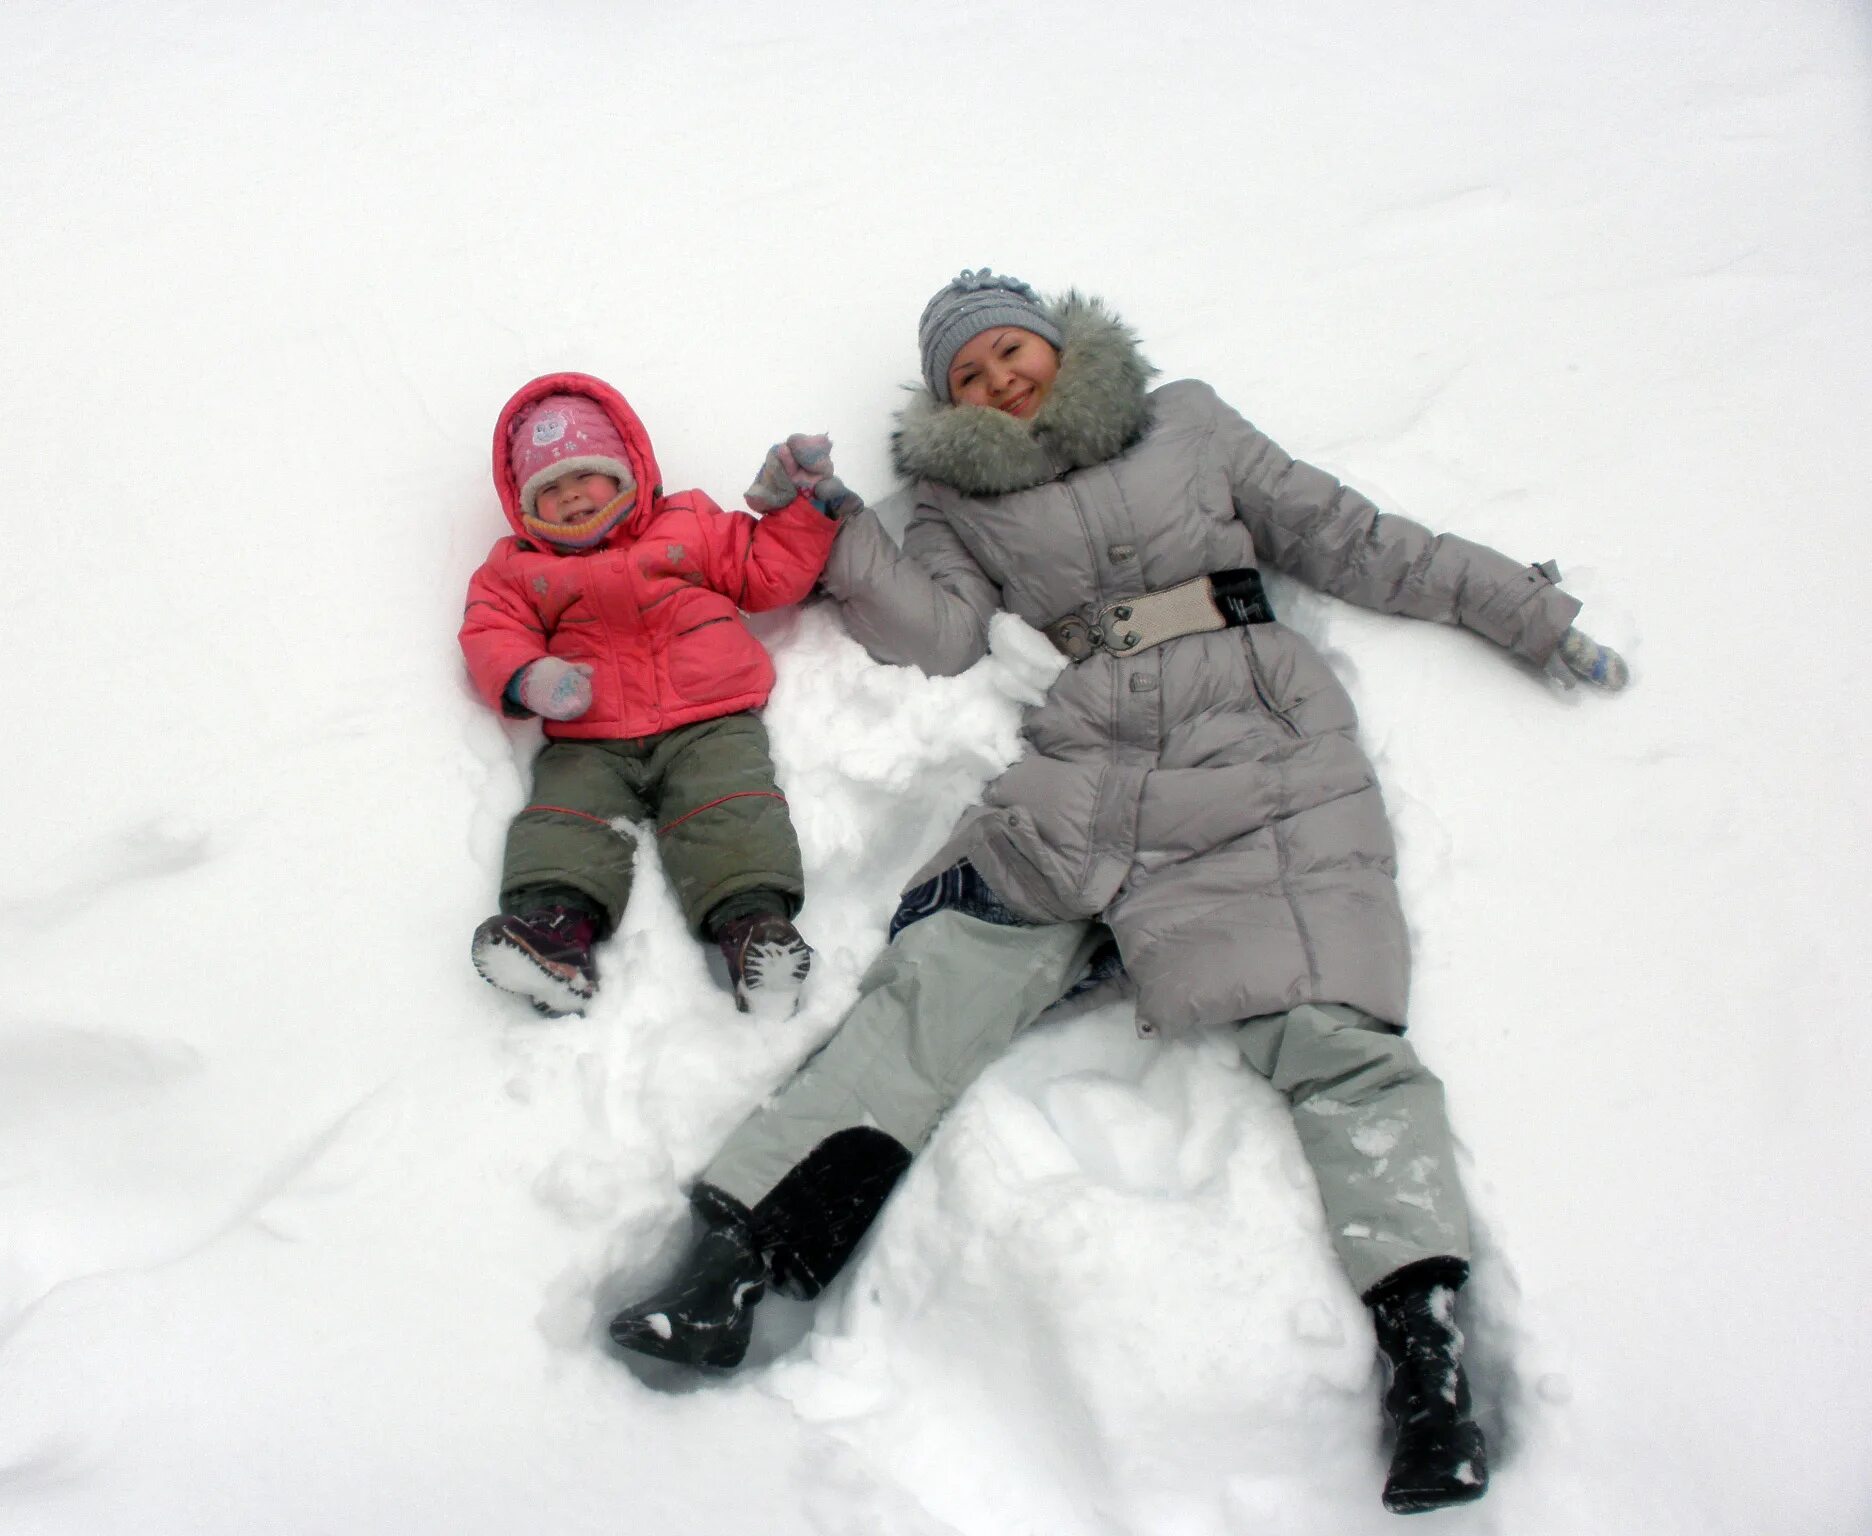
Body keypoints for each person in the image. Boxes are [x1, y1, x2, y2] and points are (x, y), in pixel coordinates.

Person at [604, 272, 1633, 1514]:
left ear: (1055, 344)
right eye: (967, 379)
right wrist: (833, 518)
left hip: (1261, 746)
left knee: (1332, 1033)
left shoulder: (1184, 421)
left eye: (1006, 354)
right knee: (935, 984)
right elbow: (933, 632)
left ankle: (1427, 1368)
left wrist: (1519, 610)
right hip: (1088, 759)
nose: (996, 384)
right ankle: (735, 1268)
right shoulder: (954, 495)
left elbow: (1349, 536)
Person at [460, 373, 844, 1017]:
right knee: (565, 820)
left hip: (710, 722)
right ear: (524, 506)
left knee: (731, 808)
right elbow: (491, 630)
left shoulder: (687, 523)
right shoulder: (517, 567)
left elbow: (763, 572)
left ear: (627, 470)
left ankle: (755, 934)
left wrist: (801, 515)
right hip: (589, 737)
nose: (572, 496)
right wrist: (529, 677)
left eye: (585, 474)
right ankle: (554, 938)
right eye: (549, 489)